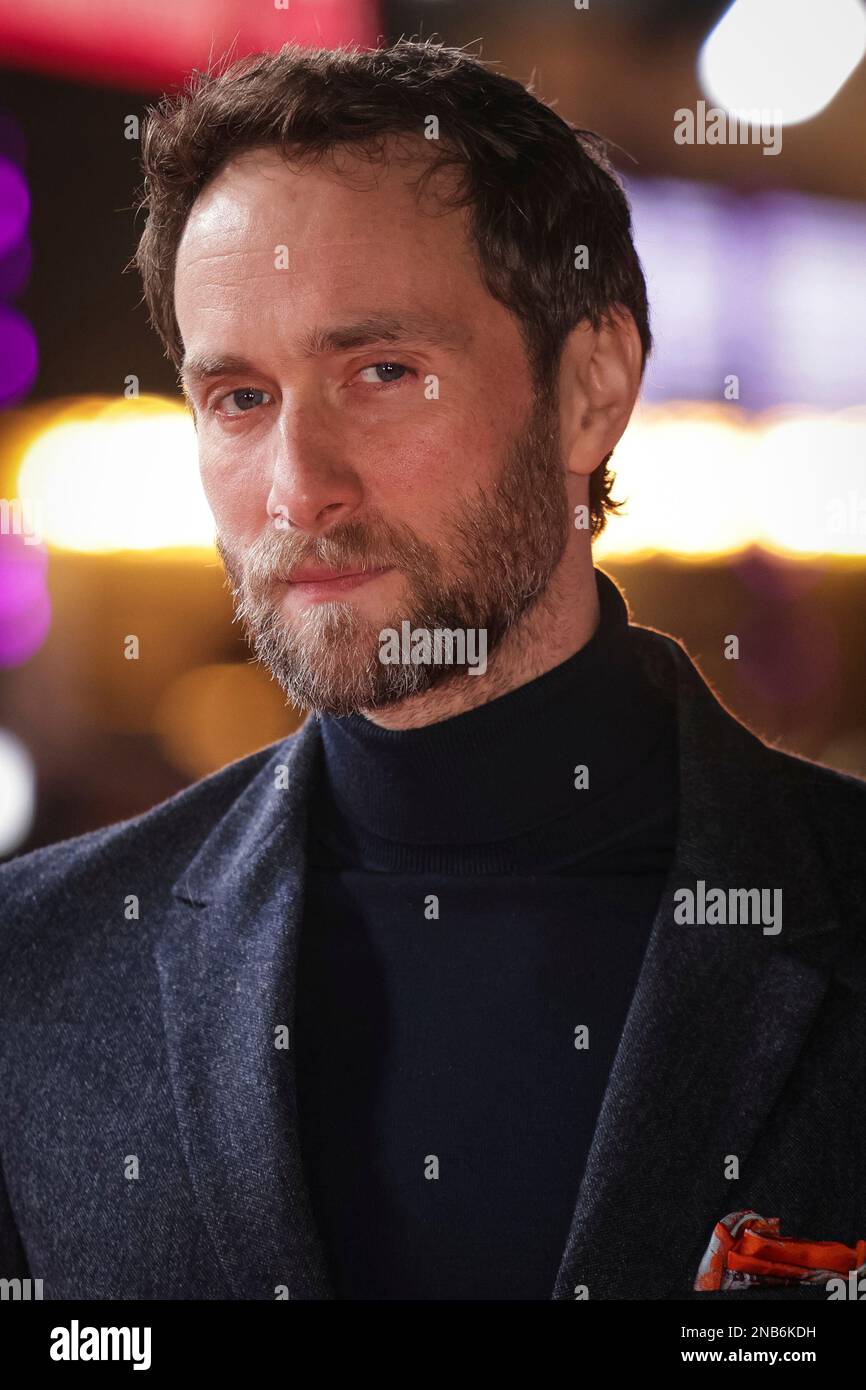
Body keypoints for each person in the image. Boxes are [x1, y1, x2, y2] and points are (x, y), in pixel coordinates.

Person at [1, 40, 864, 1302]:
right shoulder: (37, 972)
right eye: (239, 397)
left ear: (589, 389)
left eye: (382, 372)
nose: (300, 489)